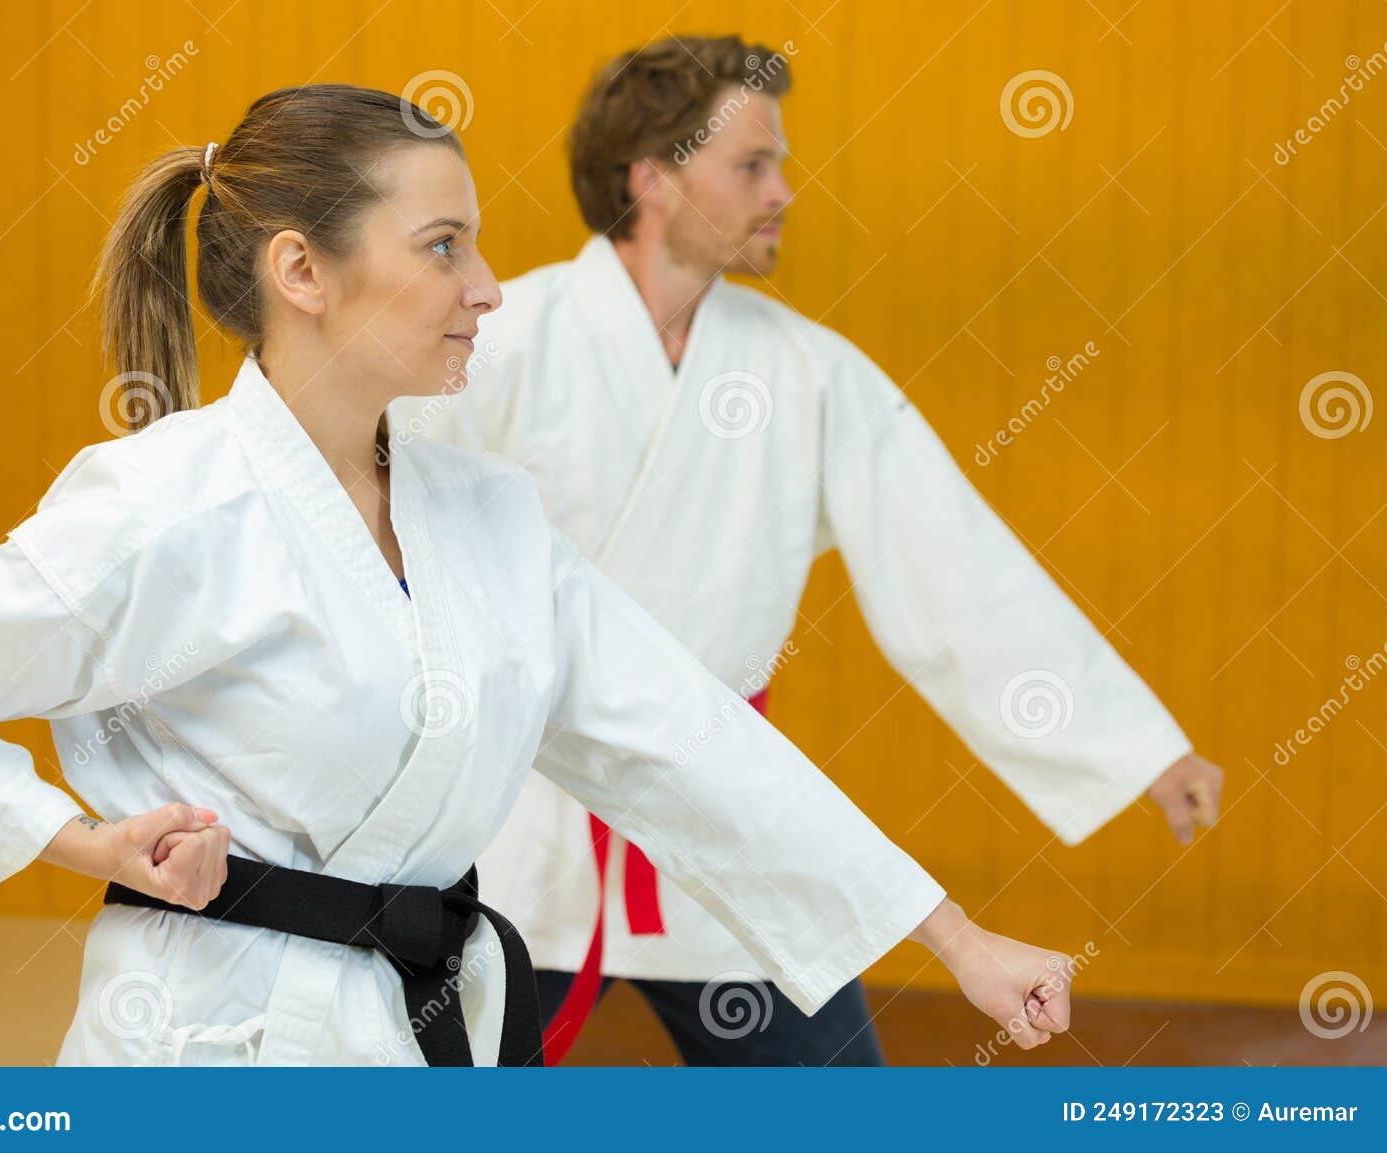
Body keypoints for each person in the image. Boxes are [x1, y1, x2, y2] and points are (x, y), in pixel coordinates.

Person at [0, 83, 1074, 1067]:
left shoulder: (487, 516)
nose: (485, 288)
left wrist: (953, 937)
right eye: (441, 248)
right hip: (209, 1051)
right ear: (301, 271)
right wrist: (83, 838)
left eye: (475, 247)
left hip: (421, 1034)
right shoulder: (164, 501)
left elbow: (690, 744)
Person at [399, 36, 1224, 1066]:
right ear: (651, 178)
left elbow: (953, 569)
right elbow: (376, 539)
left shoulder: (806, 374)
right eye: (751, 165)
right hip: (515, 821)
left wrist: (1133, 745)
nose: (783, 190)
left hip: (722, 810)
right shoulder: (501, 339)